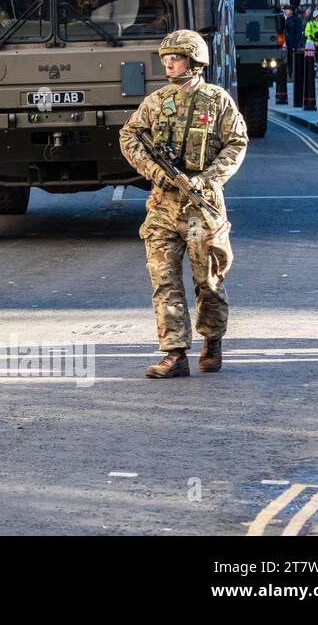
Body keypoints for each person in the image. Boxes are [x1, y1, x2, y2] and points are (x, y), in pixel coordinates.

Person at [119, 30, 248, 379]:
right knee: (163, 278)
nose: (168, 63)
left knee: (208, 280)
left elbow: (237, 143)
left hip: (200, 204)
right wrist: (152, 171)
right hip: (164, 204)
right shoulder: (156, 101)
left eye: (175, 57)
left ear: (194, 61)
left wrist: (206, 179)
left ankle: (212, 340)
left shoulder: (216, 100)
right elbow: (128, 135)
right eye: (166, 58)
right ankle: (174, 352)